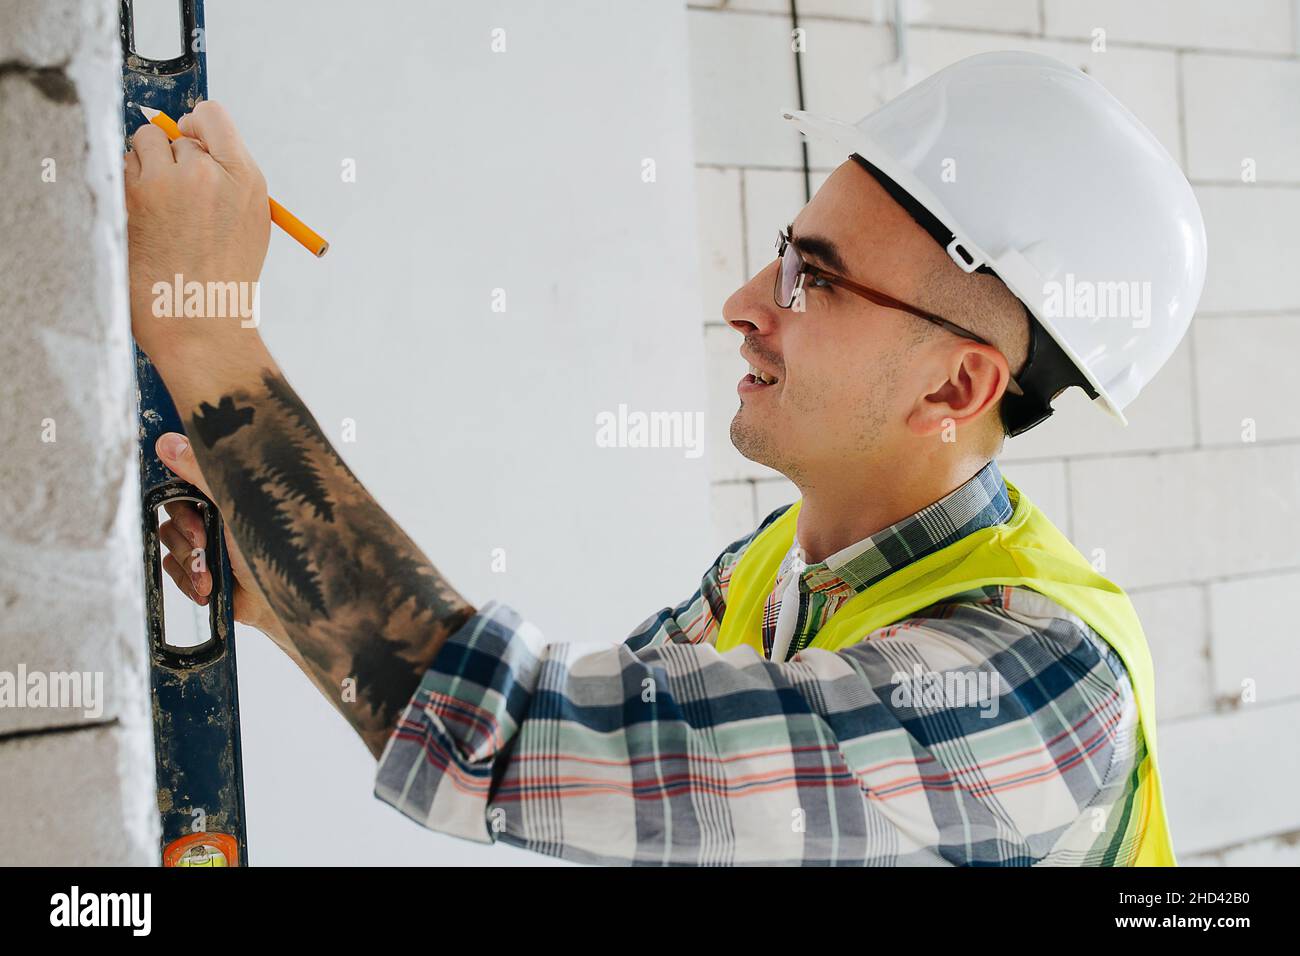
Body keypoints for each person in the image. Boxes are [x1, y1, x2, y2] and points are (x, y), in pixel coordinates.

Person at [126, 52, 1205, 865]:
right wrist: (283, 591)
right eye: (785, 254)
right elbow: (594, 770)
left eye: (812, 279)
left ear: (953, 387)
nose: (744, 304)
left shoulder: (1033, 682)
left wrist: (204, 330)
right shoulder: (779, 568)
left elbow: (509, 739)